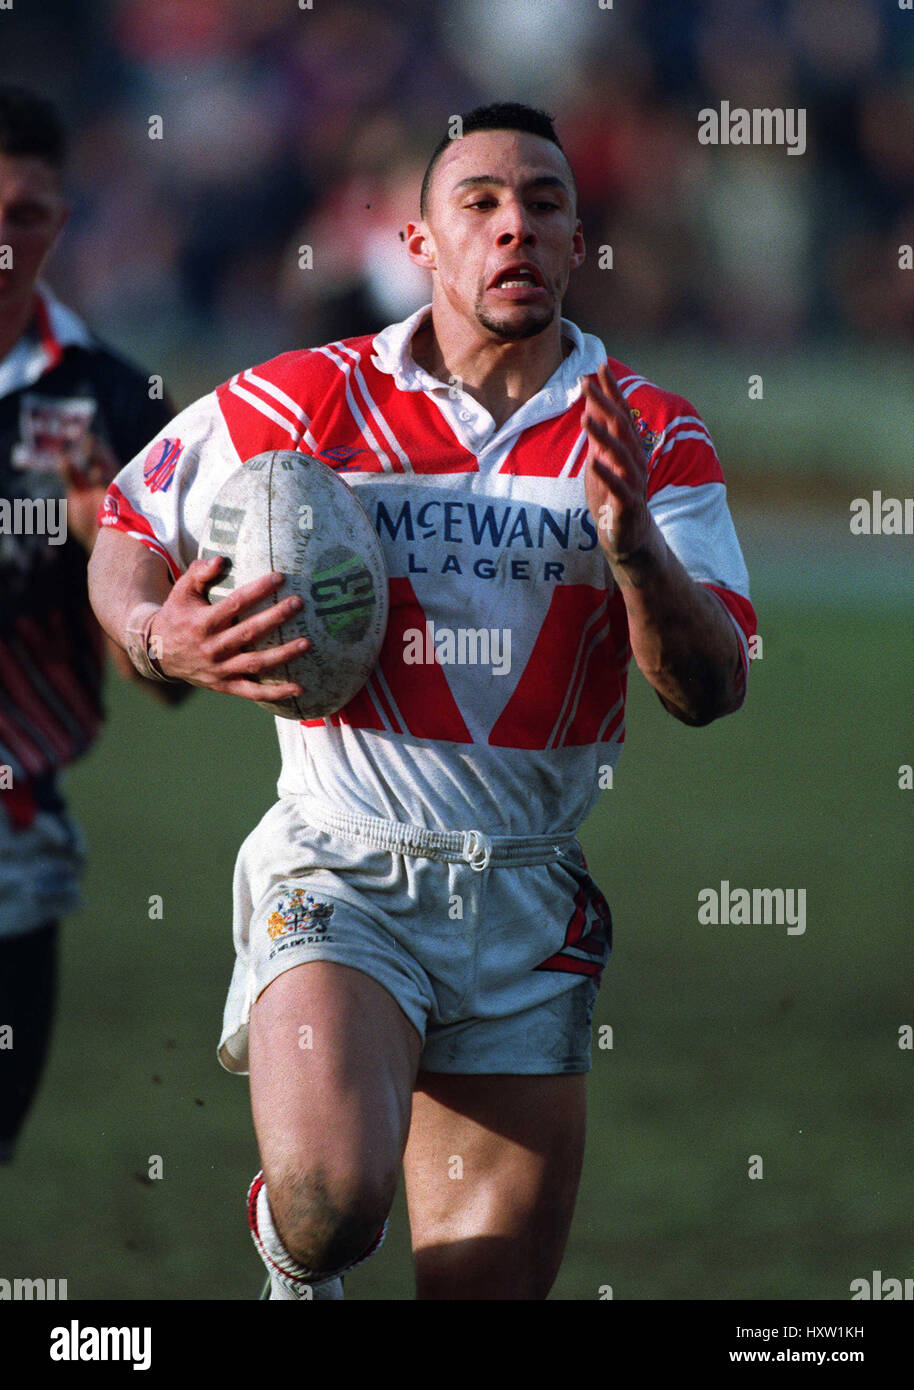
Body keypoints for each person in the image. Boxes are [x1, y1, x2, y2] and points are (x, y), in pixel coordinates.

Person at [88, 102, 756, 1300]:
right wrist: (155, 631)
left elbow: (710, 690)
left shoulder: (649, 432)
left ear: (574, 239)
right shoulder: (308, 400)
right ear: (421, 243)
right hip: (339, 866)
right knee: (332, 1200)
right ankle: (295, 1262)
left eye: (543, 206)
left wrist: (634, 546)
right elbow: (133, 517)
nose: (515, 229)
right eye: (481, 205)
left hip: (527, 894)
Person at [0, 85, 185, 1162]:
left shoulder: (117, 407)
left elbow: (162, 676)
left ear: (61, 222)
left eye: (25, 212)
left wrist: (101, 544)